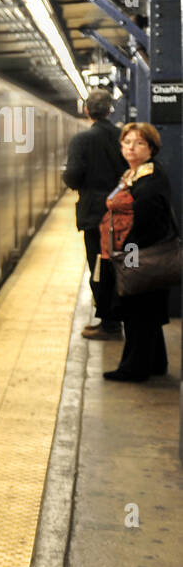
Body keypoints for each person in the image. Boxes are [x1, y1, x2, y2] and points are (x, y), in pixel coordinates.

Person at [98, 123, 175, 382]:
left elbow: (146, 225)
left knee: (137, 312)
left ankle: (134, 368)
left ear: (151, 148)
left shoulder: (150, 181)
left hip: (141, 254)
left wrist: (128, 258)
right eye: (127, 142)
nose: (131, 147)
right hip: (138, 252)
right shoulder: (134, 174)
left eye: (139, 143)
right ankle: (154, 362)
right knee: (146, 312)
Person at [62, 89, 127, 339]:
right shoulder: (122, 136)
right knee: (116, 264)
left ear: (87, 110)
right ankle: (113, 318)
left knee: (98, 266)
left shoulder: (83, 140)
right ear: (110, 110)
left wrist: (73, 182)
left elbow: (73, 175)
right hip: (121, 212)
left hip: (95, 214)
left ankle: (109, 323)